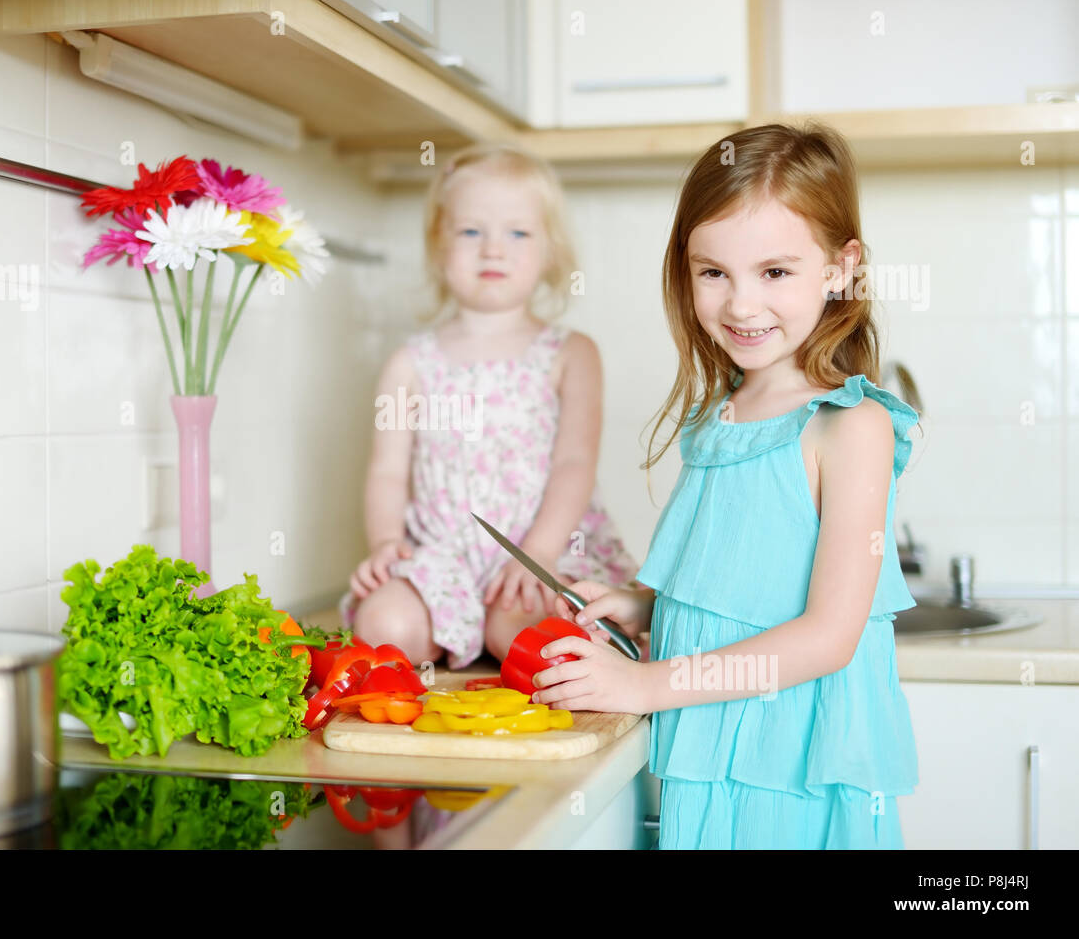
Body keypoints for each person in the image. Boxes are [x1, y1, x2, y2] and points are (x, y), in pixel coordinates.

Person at [538, 122, 923, 849]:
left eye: (775, 272)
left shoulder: (851, 425)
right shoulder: (719, 416)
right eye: (713, 272)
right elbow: (743, 573)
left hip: (793, 763)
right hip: (706, 749)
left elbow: (828, 637)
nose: (741, 306)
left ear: (841, 268)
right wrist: (643, 601)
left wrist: (643, 687)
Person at [338, 141, 640, 670]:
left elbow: (575, 464)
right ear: (439, 246)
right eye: (471, 231)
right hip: (440, 558)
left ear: (550, 251)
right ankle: (444, 629)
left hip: (536, 551)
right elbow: (387, 471)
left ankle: (495, 630)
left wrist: (540, 554)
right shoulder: (409, 363)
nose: (493, 250)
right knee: (382, 625)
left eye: (518, 233)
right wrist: (386, 543)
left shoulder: (571, 354)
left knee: (543, 639)